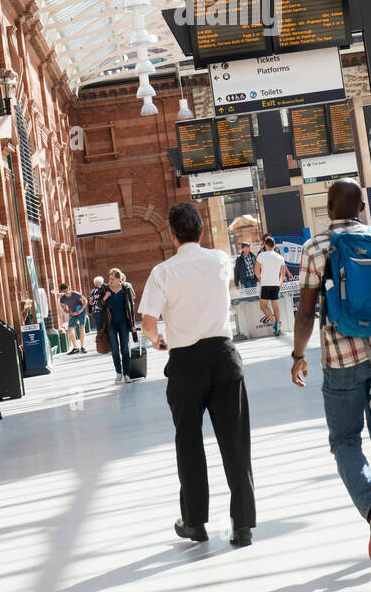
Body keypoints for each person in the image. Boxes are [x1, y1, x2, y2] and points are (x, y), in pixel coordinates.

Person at [291, 178, 371, 562]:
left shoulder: (316, 247)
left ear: (329, 207)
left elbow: (304, 312)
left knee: (346, 441)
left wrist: (298, 355)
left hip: (340, 362)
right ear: (362, 205)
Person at [140, 203, 255, 547]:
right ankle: (243, 526)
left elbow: (148, 322)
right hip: (223, 357)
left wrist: (157, 340)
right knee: (235, 442)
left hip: (186, 363)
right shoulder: (221, 260)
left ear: (172, 236)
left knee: (188, 442)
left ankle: (194, 522)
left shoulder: (162, 272)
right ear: (202, 231)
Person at [103, 268, 136, 383]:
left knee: (125, 349)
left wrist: (133, 324)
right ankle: (118, 373)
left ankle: (127, 374)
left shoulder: (126, 289)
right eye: (109, 279)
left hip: (123, 323)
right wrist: (105, 298)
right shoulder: (105, 289)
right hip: (111, 324)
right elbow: (98, 306)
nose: (110, 281)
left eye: (112, 279)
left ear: (119, 279)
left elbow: (131, 307)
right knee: (115, 350)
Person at [255, 235, 287, 335]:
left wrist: (260, 279)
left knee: (263, 306)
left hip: (265, 284)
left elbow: (256, 270)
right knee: (275, 306)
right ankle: (277, 324)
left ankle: (274, 323)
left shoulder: (261, 255)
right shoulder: (280, 257)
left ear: (265, 245)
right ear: (274, 245)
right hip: (275, 284)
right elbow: (283, 274)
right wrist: (280, 284)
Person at [59, 282, 88, 354]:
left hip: (81, 311)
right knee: (70, 330)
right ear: (62, 292)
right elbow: (64, 309)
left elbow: (85, 301)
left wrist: (81, 309)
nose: (66, 292)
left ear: (69, 288)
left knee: (81, 327)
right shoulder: (62, 298)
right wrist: (71, 313)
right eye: (64, 291)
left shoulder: (76, 294)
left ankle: (82, 347)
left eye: (66, 290)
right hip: (73, 313)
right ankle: (75, 348)